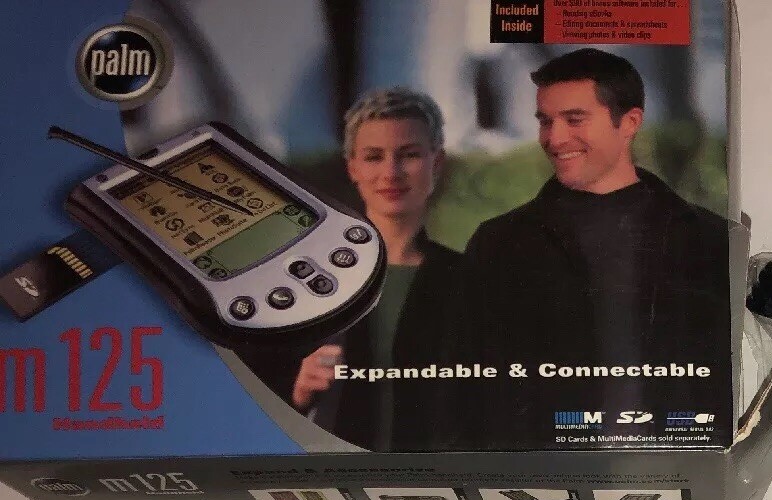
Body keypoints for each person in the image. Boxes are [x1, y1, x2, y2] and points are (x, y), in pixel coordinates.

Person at [443, 48, 732, 449]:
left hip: (677, 466)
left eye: (574, 119)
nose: (554, 138)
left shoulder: (709, 239)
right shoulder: (499, 243)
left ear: (629, 122)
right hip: (542, 472)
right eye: (545, 121)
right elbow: (467, 391)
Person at [246, 86, 460, 451]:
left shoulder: (470, 279)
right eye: (374, 157)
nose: (391, 172)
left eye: (409, 155)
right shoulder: (299, 278)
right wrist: (298, 391)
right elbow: (251, 401)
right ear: (353, 168)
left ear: (435, 163)